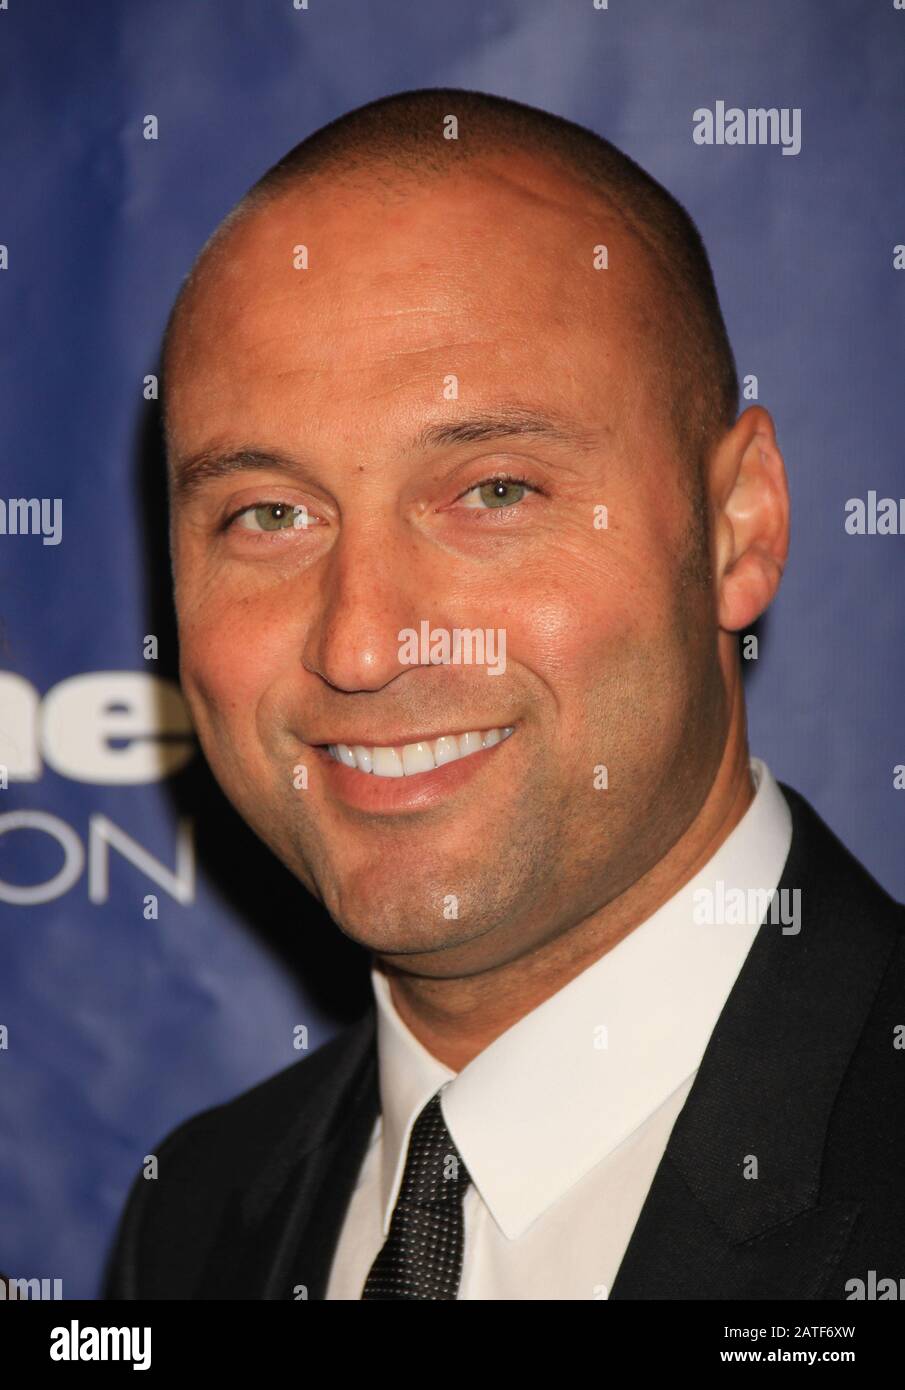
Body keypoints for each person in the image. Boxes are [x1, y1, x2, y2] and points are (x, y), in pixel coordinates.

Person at [104, 87, 904, 1301]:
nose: (365, 641)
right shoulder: (199, 1215)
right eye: (269, 514)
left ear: (737, 528)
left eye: (492, 492)